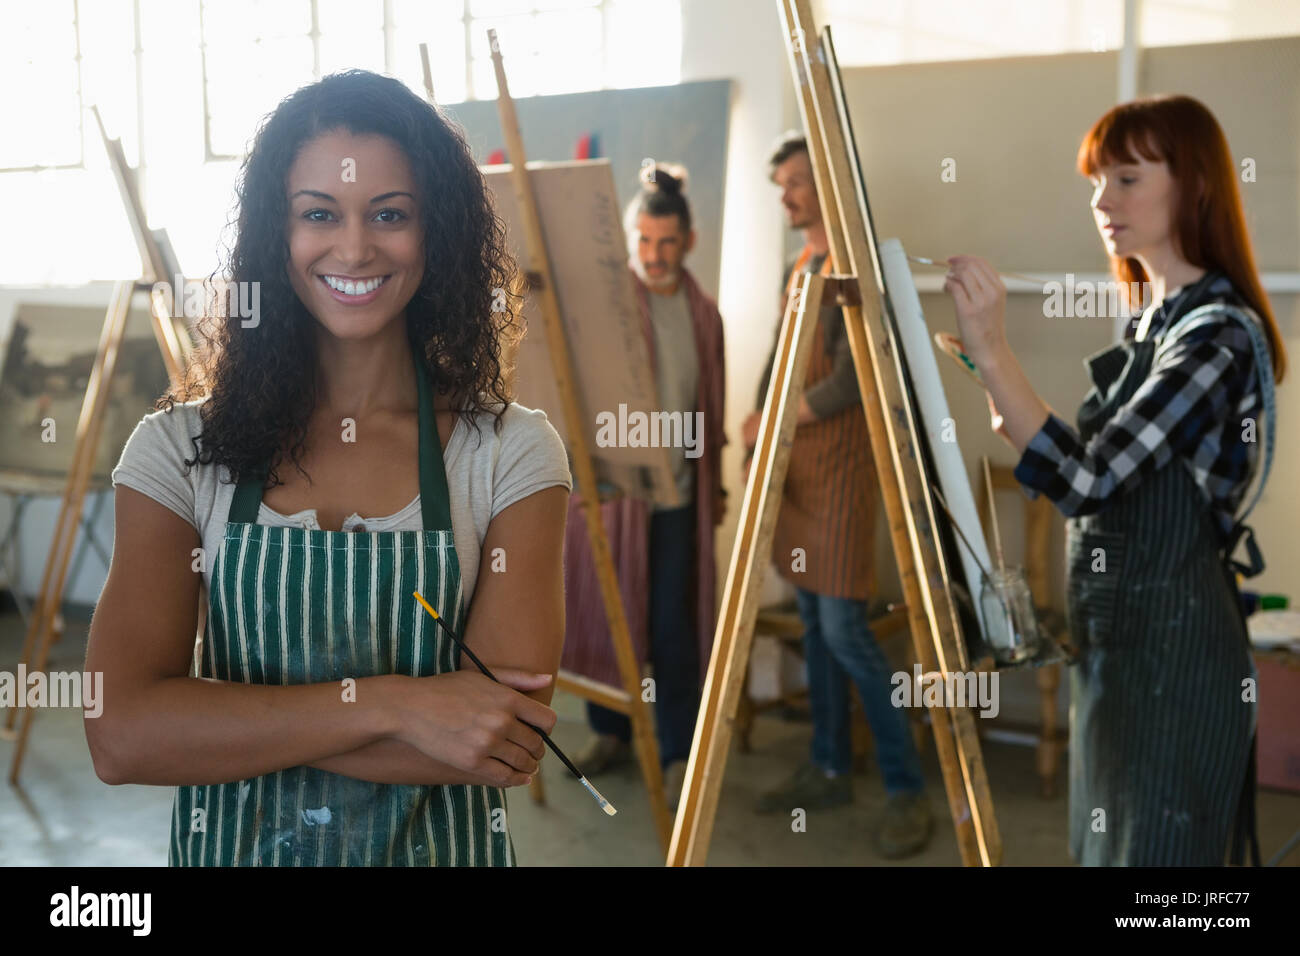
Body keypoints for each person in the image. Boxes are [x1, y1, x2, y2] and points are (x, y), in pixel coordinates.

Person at [84, 70, 572, 866]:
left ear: (437, 232)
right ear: (277, 234)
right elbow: (121, 736)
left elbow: (502, 743)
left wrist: (214, 727)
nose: (354, 248)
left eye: (391, 215)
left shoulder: (509, 454)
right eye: (319, 214)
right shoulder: (177, 452)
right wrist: (398, 706)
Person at [944, 94, 1285, 866]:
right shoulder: (1151, 320)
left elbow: (1092, 482)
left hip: (1176, 661)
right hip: (1117, 651)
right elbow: (1111, 467)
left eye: (1127, 178)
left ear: (1193, 184)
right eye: (1097, 180)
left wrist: (994, 351)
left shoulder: (1218, 334)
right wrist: (1016, 410)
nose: (1103, 201)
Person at [745, 133, 932, 859]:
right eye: (782, 183)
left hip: (845, 473)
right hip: (801, 473)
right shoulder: (805, 263)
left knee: (847, 633)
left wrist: (783, 412)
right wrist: (761, 416)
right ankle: (827, 765)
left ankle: (905, 789)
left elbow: (856, 376)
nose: (787, 195)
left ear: (828, 182)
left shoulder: (856, 266)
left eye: (797, 181)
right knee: (817, 632)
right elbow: (779, 353)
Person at [564, 163, 727, 810]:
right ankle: (610, 734)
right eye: (644, 242)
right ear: (631, 240)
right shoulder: (610, 310)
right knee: (610, 617)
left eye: (666, 243)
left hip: (679, 497)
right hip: (616, 495)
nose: (654, 256)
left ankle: (679, 746)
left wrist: (713, 482)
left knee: (672, 624)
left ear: (687, 241)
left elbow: (709, 407)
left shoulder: (704, 314)